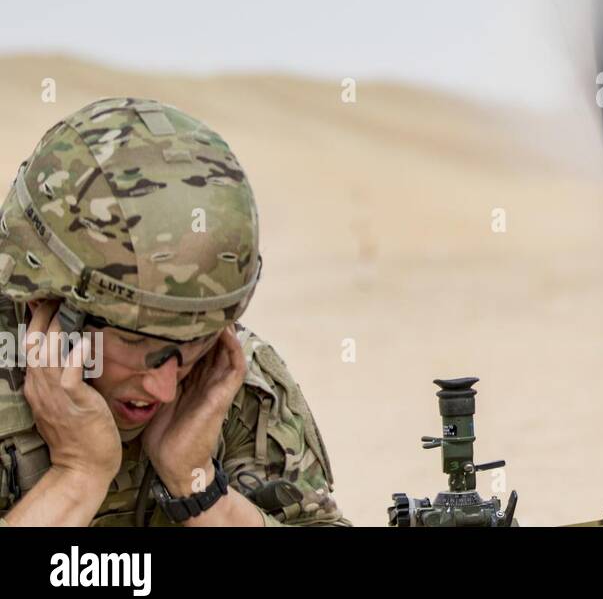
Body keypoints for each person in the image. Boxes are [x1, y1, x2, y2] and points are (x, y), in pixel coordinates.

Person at [0, 97, 346, 526]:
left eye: (193, 342)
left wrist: (199, 489)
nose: (165, 389)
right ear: (46, 302)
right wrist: (78, 476)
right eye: (134, 340)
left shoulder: (226, 381)